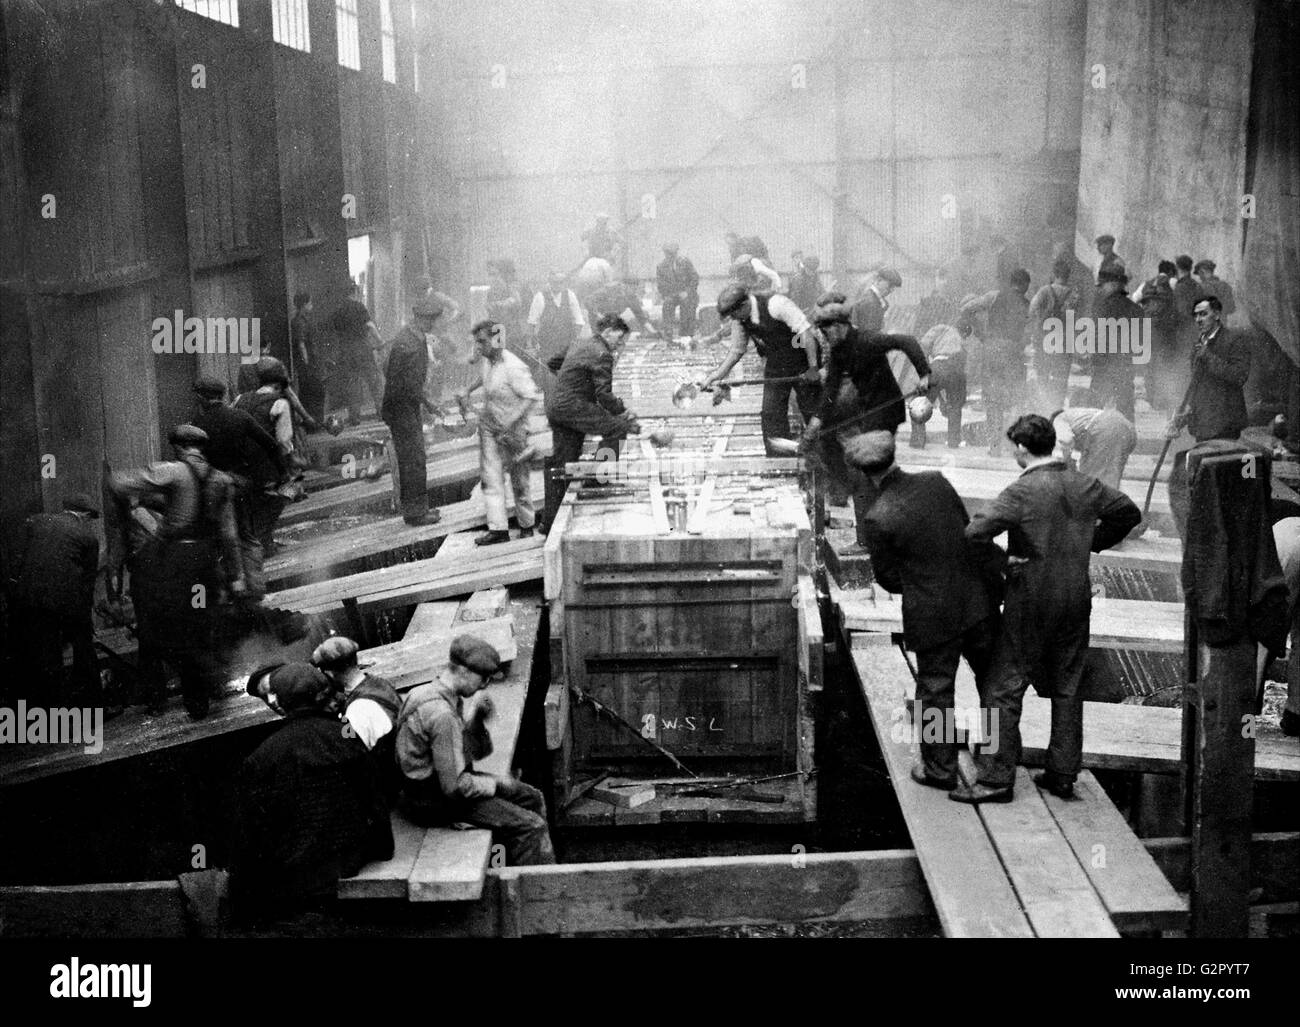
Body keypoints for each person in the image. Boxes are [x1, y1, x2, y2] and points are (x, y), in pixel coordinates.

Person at [959, 414, 1140, 803]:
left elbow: (974, 534)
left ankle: (994, 777)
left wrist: (1002, 562)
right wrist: (1090, 542)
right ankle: (1062, 773)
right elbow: (1128, 512)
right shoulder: (1084, 483)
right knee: (1068, 685)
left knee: (1002, 686)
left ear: (1023, 449)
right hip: (1075, 598)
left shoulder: (1021, 491)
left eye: (1013, 448)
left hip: (1031, 599)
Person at [857, 434, 1005, 788]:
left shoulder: (878, 516)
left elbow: (889, 579)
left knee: (936, 692)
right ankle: (993, 759)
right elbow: (969, 531)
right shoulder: (936, 482)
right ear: (893, 456)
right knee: (993, 684)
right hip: (977, 601)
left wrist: (921, 581)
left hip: (933, 615)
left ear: (864, 473)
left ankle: (940, 770)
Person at [232, 661, 394, 922]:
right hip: (351, 859)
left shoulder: (263, 756)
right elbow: (373, 796)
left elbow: (250, 832)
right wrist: (383, 848)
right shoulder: (346, 735)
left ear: (284, 702)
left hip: (300, 874)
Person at [109, 425, 245, 718]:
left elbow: (121, 484)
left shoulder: (173, 471)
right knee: (203, 621)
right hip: (207, 562)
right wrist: (236, 576)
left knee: (172, 627)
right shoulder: (222, 480)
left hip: (177, 562)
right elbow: (230, 535)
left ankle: (190, 699)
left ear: (179, 447)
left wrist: (121, 485)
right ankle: (211, 686)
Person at [395, 634, 555, 865]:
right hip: (433, 802)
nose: (485, 685)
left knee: (532, 797)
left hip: (430, 788)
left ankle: (526, 864)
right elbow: (455, 787)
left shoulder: (428, 693)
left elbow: (470, 753)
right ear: (463, 671)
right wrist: (494, 784)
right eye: (483, 678)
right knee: (532, 826)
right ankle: (538, 891)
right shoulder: (442, 715)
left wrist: (476, 720)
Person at [799, 297, 929, 533]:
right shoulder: (840, 351)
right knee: (868, 472)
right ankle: (883, 525)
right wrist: (815, 425)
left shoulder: (868, 341)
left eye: (826, 331)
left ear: (839, 325)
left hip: (885, 411)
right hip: (869, 411)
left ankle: (866, 538)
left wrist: (924, 374)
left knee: (864, 471)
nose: (825, 337)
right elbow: (831, 390)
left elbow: (906, 341)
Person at [542, 313, 640, 530]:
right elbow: (604, 395)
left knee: (563, 464)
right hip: (574, 407)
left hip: (556, 408)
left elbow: (552, 363)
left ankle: (549, 523)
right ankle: (598, 479)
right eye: (620, 338)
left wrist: (571, 379)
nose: (620, 344)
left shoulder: (579, 343)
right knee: (617, 429)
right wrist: (623, 412)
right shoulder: (603, 354)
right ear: (607, 332)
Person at [1165, 295, 1252, 537]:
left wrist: (1208, 357)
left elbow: (1239, 376)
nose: (1198, 319)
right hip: (1203, 424)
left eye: (1203, 314)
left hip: (1225, 423)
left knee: (1220, 480)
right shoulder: (1199, 345)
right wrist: (1183, 416)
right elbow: (1196, 386)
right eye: (1195, 315)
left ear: (1217, 314)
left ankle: (1223, 527)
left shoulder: (1235, 340)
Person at [193, 375, 286, 599]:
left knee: (219, 540)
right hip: (242, 484)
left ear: (200, 398)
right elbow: (272, 446)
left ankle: (229, 594)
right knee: (248, 536)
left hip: (213, 489)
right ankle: (255, 589)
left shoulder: (196, 425)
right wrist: (272, 473)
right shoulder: (240, 417)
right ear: (222, 396)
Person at [699, 284, 820, 456]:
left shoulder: (776, 304)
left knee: (811, 408)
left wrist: (814, 368)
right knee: (771, 413)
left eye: (734, 314)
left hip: (803, 359)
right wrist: (716, 376)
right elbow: (737, 350)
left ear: (744, 305)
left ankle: (822, 456)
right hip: (777, 362)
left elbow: (806, 334)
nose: (733, 318)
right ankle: (779, 460)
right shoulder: (740, 319)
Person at [8, 494, 102, 706]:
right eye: (90, 519)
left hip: (27, 599)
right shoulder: (88, 538)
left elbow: (19, 558)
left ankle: (51, 713)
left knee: (46, 656)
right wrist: (86, 621)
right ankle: (94, 706)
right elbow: (86, 586)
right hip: (63, 602)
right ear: (84, 515)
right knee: (83, 647)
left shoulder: (38, 522)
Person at [455, 320, 542, 545]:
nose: (478, 346)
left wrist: (511, 423)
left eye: (482, 341)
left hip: (513, 430)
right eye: (476, 342)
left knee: (519, 480)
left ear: (496, 339)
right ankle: (498, 529)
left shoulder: (513, 366)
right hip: (490, 426)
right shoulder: (487, 361)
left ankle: (526, 526)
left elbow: (531, 397)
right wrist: (468, 389)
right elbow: (483, 377)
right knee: (491, 478)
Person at [312, 635, 403, 800]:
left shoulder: (356, 710)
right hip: (398, 763)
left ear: (330, 673)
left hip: (388, 786)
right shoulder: (378, 682)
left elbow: (350, 754)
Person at [382, 297, 445, 527]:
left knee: (415, 457)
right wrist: (426, 402)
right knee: (413, 459)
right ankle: (416, 513)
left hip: (405, 406)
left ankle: (418, 508)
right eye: (431, 320)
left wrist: (426, 404)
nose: (433, 324)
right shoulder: (409, 343)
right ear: (421, 319)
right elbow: (406, 383)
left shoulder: (410, 338)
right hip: (402, 408)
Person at [963, 268, 1031, 454]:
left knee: (993, 399)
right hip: (1013, 353)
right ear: (1025, 285)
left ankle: (994, 447)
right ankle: (1012, 445)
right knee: (1015, 398)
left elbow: (967, 309)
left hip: (992, 350)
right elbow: (1029, 333)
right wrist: (1019, 345)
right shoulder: (1028, 304)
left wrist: (979, 332)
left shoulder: (994, 296)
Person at [232, 359, 296, 557]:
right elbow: (284, 442)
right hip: (266, 469)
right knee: (285, 494)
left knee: (252, 506)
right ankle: (261, 545)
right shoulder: (279, 403)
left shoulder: (239, 399)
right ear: (278, 384)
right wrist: (290, 468)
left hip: (240, 467)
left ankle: (264, 542)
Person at [1050, 388, 1137, 490]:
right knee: (1111, 478)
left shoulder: (1059, 418)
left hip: (1105, 427)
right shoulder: (1082, 415)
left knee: (1092, 482)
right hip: (1128, 427)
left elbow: (1066, 441)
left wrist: (1067, 460)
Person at [330, 280, 387, 427]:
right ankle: (382, 412)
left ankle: (355, 417)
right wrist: (380, 343)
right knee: (374, 381)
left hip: (347, 351)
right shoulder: (359, 307)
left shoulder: (338, 312)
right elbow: (369, 326)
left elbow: (337, 335)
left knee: (352, 384)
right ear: (354, 291)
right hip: (363, 348)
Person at [1089, 266, 1142, 421]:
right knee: (1125, 409)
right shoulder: (1135, 309)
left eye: (1103, 285)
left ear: (1113, 284)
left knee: (1093, 410)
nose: (1102, 289)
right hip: (1125, 367)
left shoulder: (1102, 308)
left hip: (1103, 367)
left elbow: (1096, 338)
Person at [1027, 258, 1080, 411]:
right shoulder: (1074, 294)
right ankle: (1057, 408)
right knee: (1061, 378)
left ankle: (1043, 407)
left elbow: (1031, 310)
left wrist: (1039, 322)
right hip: (1064, 342)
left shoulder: (1045, 290)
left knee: (1042, 375)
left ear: (1054, 274)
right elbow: (1077, 319)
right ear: (1068, 275)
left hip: (1044, 340)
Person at [914, 318, 972, 449]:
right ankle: (954, 442)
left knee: (920, 403)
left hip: (938, 366)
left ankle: (918, 441)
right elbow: (962, 370)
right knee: (956, 406)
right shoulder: (963, 344)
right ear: (965, 334)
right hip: (956, 370)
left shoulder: (942, 328)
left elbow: (923, 345)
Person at [1134, 261, 1179, 411]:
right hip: (1165, 330)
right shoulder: (1172, 283)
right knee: (1163, 362)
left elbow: (1134, 299)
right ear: (1171, 272)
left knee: (1149, 363)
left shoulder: (1146, 284)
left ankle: (1151, 397)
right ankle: (1162, 399)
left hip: (1148, 328)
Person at [527, 271, 586, 368]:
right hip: (547, 342)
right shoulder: (540, 297)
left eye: (561, 282)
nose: (558, 285)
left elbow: (579, 321)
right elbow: (532, 322)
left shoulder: (570, 295)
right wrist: (531, 345)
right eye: (555, 282)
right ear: (549, 282)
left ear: (565, 283)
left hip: (566, 341)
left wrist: (575, 341)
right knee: (549, 370)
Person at [291, 292, 326, 424]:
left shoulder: (304, 319)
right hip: (308, 364)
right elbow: (301, 344)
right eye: (310, 303)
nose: (312, 305)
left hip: (311, 362)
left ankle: (314, 421)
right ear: (304, 304)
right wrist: (306, 363)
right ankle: (314, 421)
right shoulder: (299, 322)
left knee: (311, 391)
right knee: (314, 391)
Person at [656, 243, 700, 337]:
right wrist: (670, 294)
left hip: (687, 294)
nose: (670, 256)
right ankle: (668, 332)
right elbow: (660, 285)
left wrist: (687, 292)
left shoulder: (685, 262)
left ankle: (686, 333)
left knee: (687, 303)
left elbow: (694, 278)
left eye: (673, 254)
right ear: (665, 254)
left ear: (676, 253)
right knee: (667, 303)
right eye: (668, 254)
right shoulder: (661, 267)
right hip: (672, 294)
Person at [851, 267, 901, 334]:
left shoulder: (879, 301)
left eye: (893, 288)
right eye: (890, 285)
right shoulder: (869, 302)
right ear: (878, 280)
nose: (891, 290)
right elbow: (869, 335)